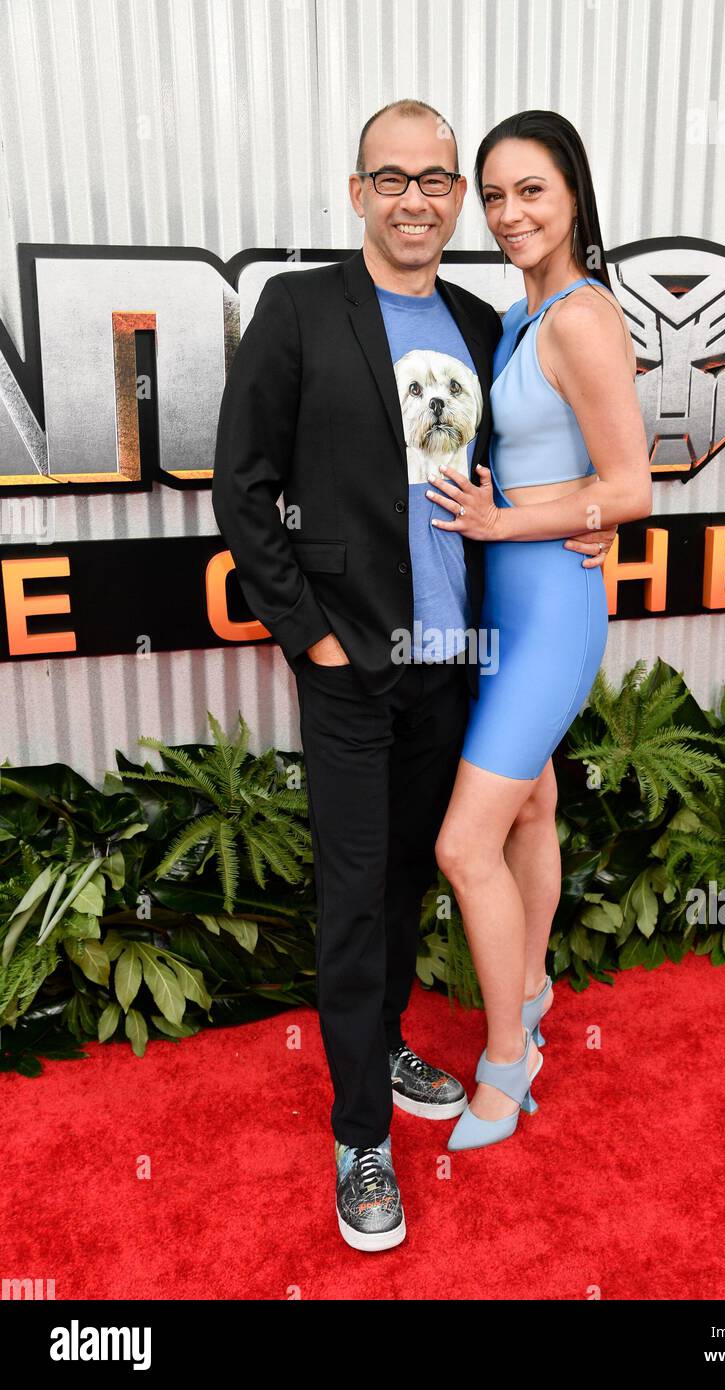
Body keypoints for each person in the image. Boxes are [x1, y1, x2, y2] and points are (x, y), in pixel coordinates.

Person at [211, 99, 613, 1251]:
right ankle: (359, 1137)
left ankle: (383, 1042)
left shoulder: (488, 321)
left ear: (457, 202)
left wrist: (592, 521)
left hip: (457, 661)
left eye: (440, 180)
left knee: (405, 879)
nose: (418, 199)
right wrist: (313, 638)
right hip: (352, 664)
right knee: (349, 898)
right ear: (357, 193)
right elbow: (243, 490)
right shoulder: (296, 311)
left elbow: (548, 460)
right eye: (393, 178)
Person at [428, 111, 653, 1151]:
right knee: (530, 810)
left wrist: (505, 519)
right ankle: (528, 993)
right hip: (505, 603)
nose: (511, 212)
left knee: (462, 839)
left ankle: (506, 1063)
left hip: (553, 609)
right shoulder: (523, 315)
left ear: (573, 196)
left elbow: (631, 490)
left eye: (533, 191)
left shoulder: (580, 318)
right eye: (497, 193)